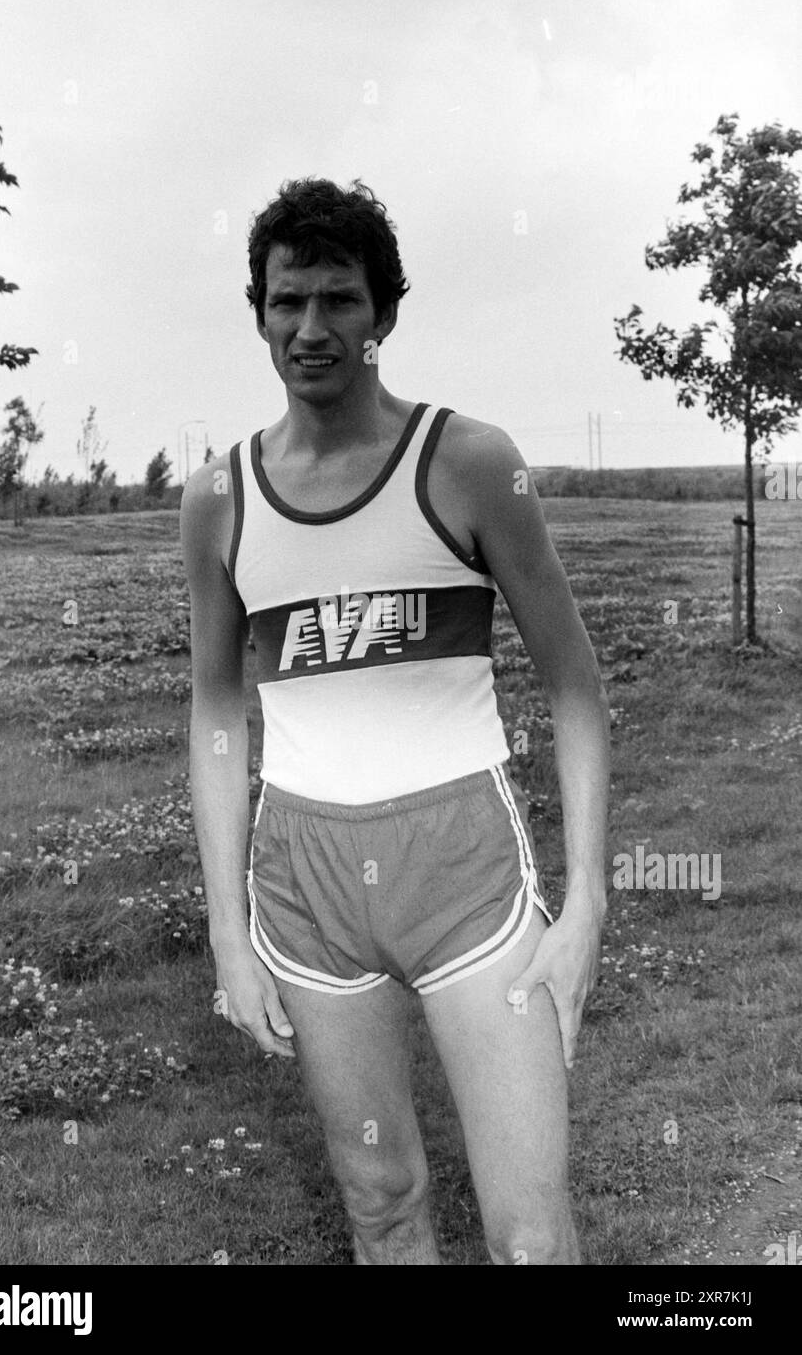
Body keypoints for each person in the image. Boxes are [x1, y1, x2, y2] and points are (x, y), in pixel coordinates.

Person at [180, 177, 610, 1265]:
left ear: (384, 315)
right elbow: (219, 712)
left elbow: (575, 684)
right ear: (259, 311)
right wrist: (230, 930)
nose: (311, 328)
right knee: (381, 1204)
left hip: (462, 869)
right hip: (306, 880)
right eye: (288, 302)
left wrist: (589, 902)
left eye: (339, 300)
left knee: (529, 1238)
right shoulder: (220, 498)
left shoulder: (465, 461)